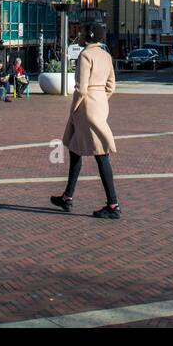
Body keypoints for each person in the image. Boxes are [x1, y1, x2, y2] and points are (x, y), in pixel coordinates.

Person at [52, 24, 121, 219]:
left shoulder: (84, 56)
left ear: (88, 36)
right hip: (99, 104)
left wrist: (75, 107)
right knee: (76, 149)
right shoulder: (106, 56)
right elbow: (111, 86)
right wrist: (100, 99)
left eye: (82, 33)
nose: (80, 35)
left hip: (85, 107)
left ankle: (113, 204)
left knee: (101, 154)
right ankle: (67, 197)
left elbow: (81, 89)